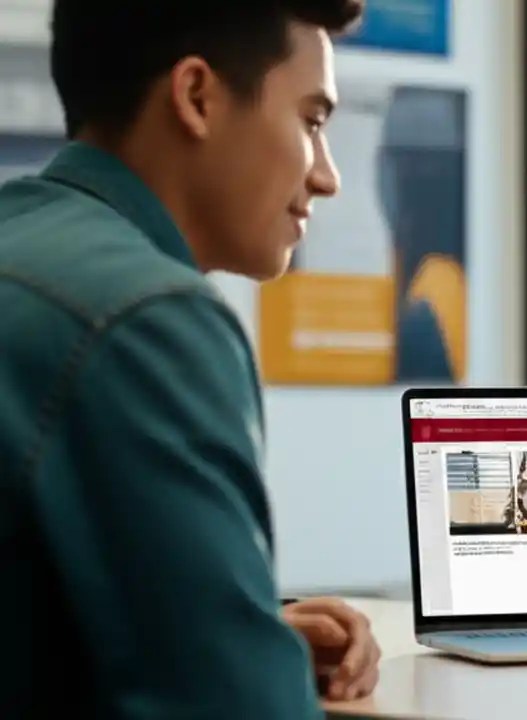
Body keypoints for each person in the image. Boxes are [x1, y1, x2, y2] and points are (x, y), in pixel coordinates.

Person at [0, 1, 384, 716]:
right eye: (311, 121)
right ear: (197, 97)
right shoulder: (147, 320)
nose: (327, 176)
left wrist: (239, 639)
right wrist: (242, 675)